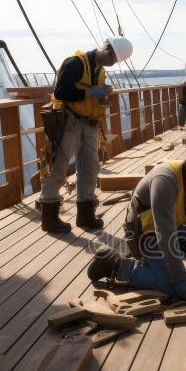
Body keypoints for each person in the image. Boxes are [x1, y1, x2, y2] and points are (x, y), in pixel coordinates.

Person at [87, 138, 186, 298]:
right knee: (169, 285)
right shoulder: (166, 180)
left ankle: (160, 262)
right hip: (142, 231)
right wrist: (180, 279)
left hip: (171, 226)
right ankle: (115, 263)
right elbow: (165, 234)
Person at [39, 37, 134, 233]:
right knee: (59, 167)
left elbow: (89, 90)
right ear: (105, 48)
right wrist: (91, 93)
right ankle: (49, 216)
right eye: (112, 56)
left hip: (90, 123)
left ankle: (85, 213)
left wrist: (104, 91)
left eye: (115, 59)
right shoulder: (76, 63)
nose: (112, 61)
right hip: (70, 121)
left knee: (90, 167)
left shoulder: (100, 70)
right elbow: (61, 91)